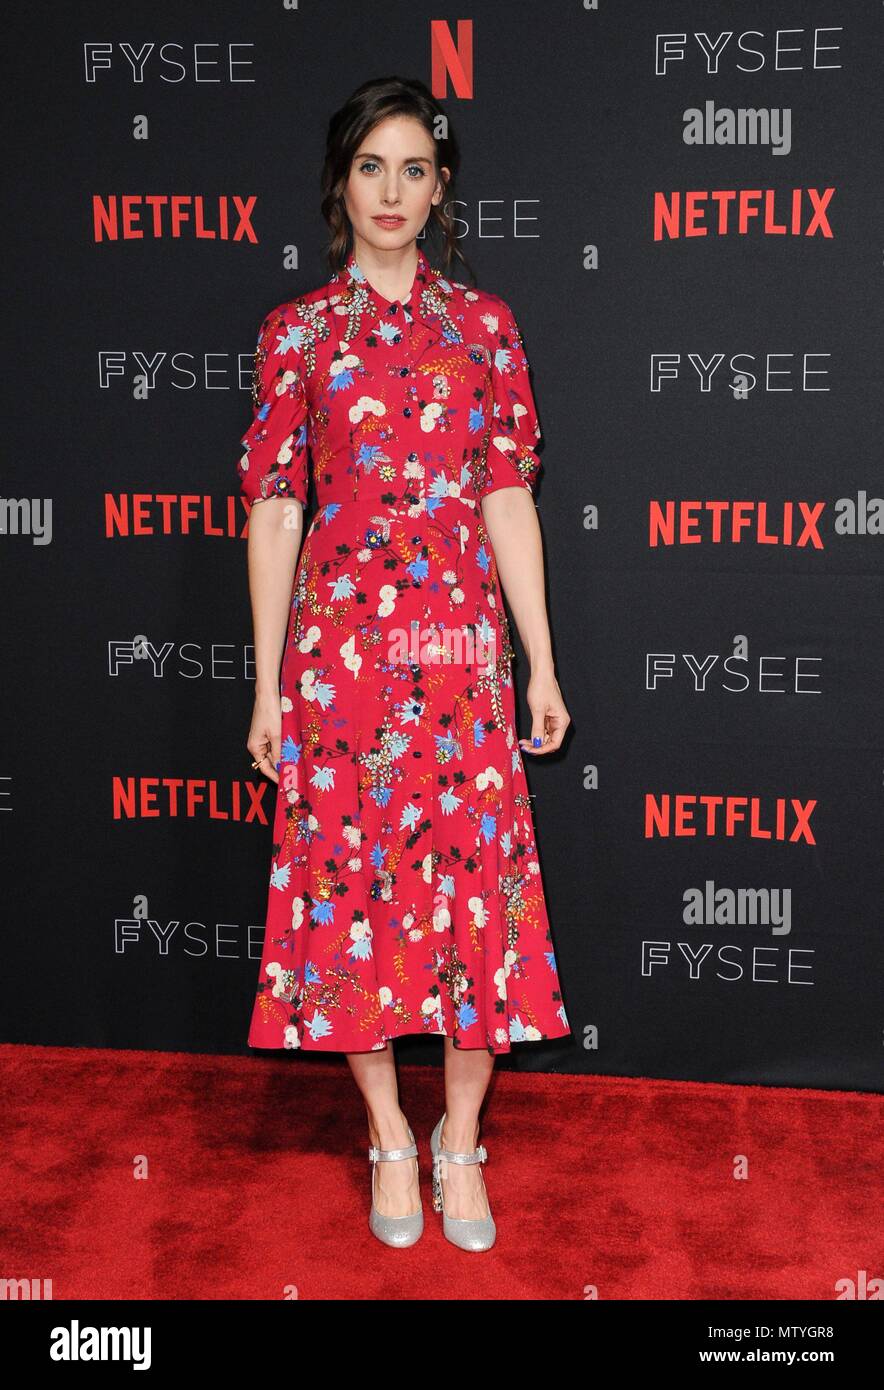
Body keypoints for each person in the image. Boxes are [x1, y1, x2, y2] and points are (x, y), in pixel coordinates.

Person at [236, 76, 572, 1251]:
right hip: (341, 671)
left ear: (441, 187)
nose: (392, 191)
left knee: (475, 907)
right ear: (340, 182)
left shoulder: (482, 327)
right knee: (351, 909)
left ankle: (459, 1139)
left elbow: (505, 495)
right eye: (371, 166)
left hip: (460, 664)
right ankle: (387, 1131)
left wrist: (537, 662)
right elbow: (275, 509)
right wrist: (270, 681)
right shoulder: (295, 334)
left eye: (414, 168)